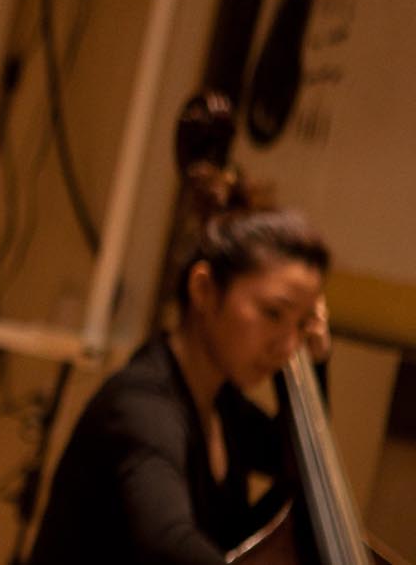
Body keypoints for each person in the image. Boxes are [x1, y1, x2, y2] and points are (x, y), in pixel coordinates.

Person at [28, 208, 331, 564]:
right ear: (203, 289)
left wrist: (318, 364)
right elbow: (167, 542)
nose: (287, 346)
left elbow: (296, 467)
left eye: (300, 325)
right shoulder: (140, 407)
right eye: (273, 314)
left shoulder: (223, 406)